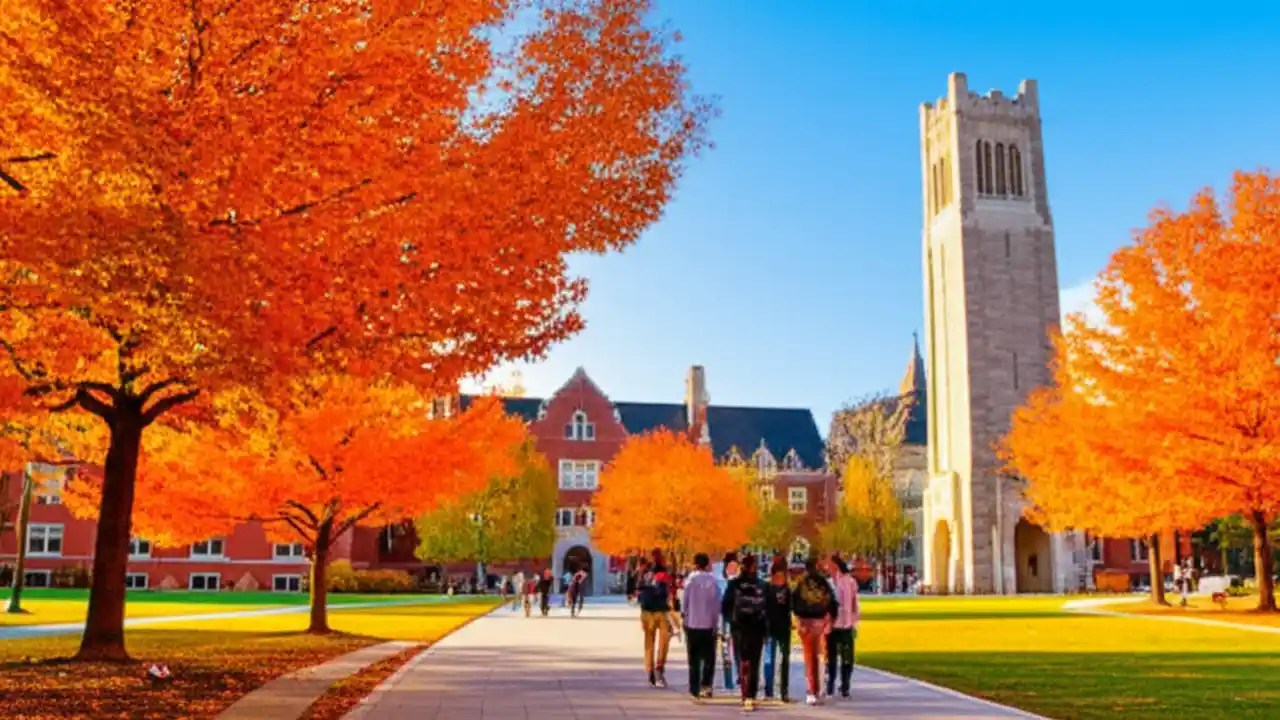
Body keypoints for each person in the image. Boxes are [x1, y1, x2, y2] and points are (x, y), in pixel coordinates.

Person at [721, 554, 768, 712]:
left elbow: (725, 606)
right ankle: (751, 695)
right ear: (755, 567)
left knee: (742, 660)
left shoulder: (734, 584)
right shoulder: (762, 585)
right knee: (755, 661)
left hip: (739, 628)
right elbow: (768, 609)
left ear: (742, 567)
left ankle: (744, 692)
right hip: (757, 628)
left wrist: (731, 622)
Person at [791, 556, 836, 706]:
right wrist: (830, 618)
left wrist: (796, 619)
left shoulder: (800, 583)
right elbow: (832, 602)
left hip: (805, 622)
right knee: (821, 657)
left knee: (809, 657)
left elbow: (793, 602)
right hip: (820, 621)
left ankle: (811, 690)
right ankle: (819, 689)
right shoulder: (823, 582)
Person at [681, 553, 721, 701]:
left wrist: (684, 616)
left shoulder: (690, 580)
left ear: (695, 563)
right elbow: (717, 603)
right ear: (707, 564)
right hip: (709, 624)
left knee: (694, 657)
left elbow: (685, 601)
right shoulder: (713, 581)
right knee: (709, 657)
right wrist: (716, 622)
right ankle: (706, 685)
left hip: (692, 623)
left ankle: (694, 688)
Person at [635, 557, 673, 688]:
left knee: (649, 642)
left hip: (646, 613)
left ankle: (650, 669)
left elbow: (638, 593)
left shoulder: (643, 576)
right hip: (661, 612)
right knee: (664, 641)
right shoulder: (664, 577)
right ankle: (659, 666)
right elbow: (667, 595)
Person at [826, 556, 859, 699]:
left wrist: (853, 621)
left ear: (836, 566)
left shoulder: (849, 581)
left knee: (847, 658)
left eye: (831, 565)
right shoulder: (828, 583)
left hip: (845, 625)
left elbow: (854, 603)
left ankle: (845, 685)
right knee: (831, 658)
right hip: (832, 626)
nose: (828, 568)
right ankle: (830, 684)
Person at [762, 556, 793, 703]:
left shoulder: (786, 590)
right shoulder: (769, 589)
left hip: (782, 628)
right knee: (770, 658)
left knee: (783, 660)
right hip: (771, 628)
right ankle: (769, 690)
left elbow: (791, 608)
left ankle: (783, 690)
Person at [718, 552, 741, 690]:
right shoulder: (723, 581)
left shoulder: (737, 581)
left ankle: (738, 676)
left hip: (734, 618)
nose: (732, 567)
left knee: (735, 649)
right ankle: (729, 679)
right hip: (728, 618)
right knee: (727, 650)